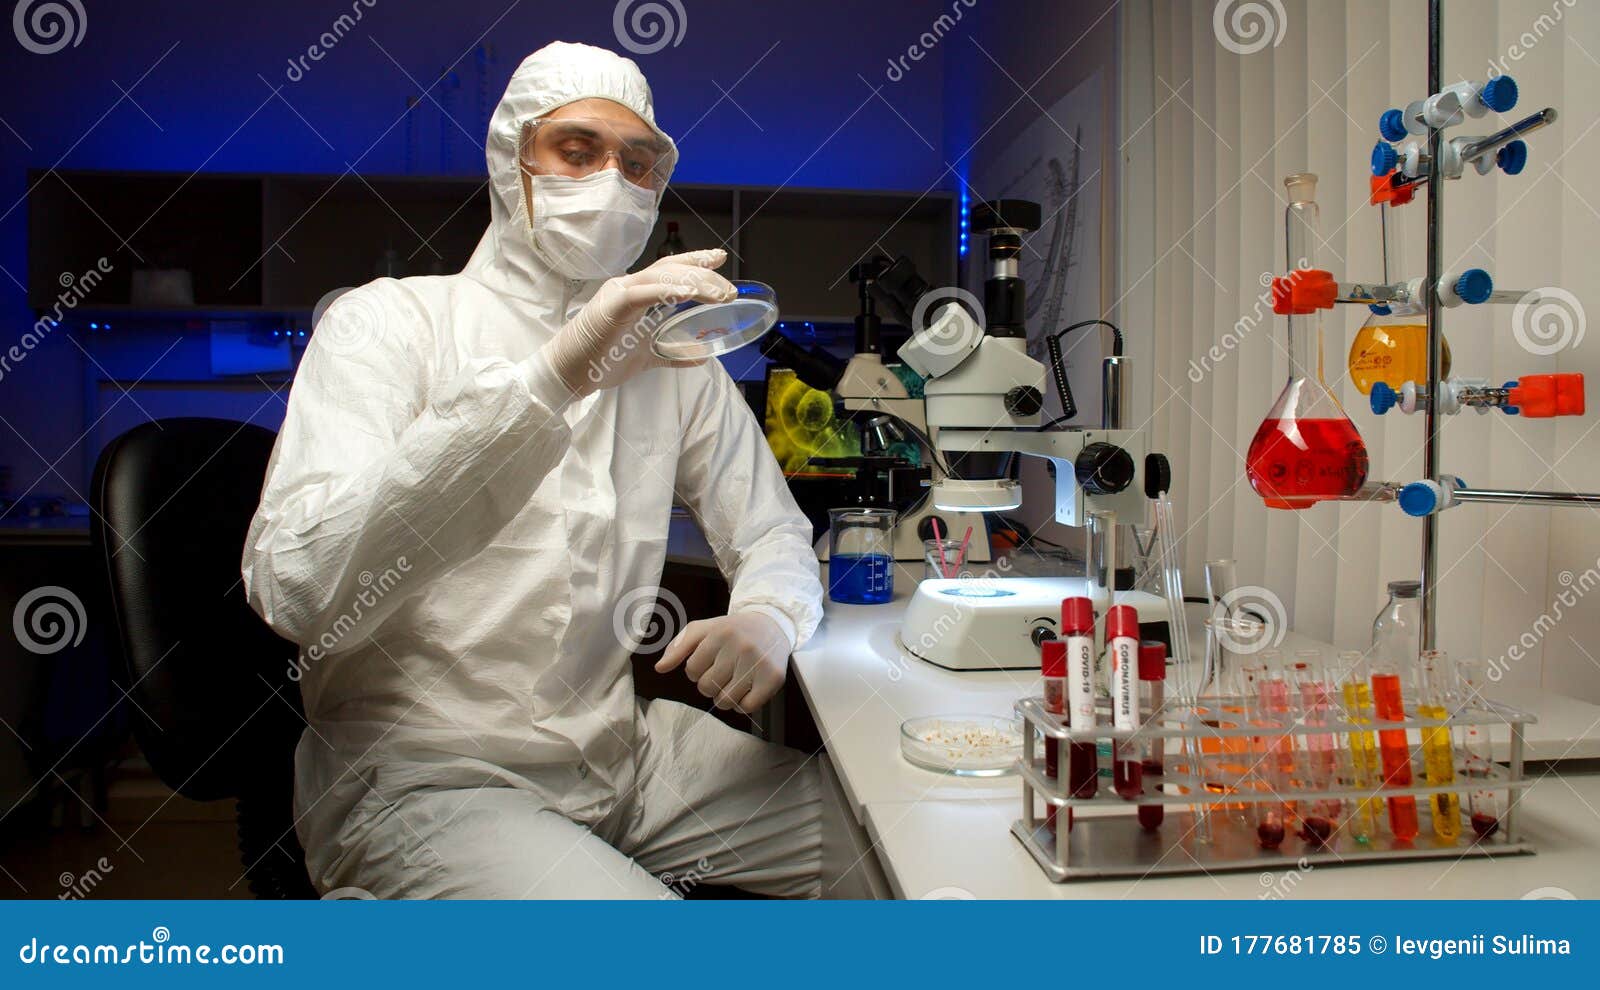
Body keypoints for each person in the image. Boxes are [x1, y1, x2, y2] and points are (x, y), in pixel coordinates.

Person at [242, 41, 825, 899]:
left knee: (890, 840)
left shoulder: (672, 360)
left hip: (617, 756)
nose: (613, 184)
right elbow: (295, 586)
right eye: (578, 151)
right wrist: (556, 375)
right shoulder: (388, 325)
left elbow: (772, 527)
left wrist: (771, 615)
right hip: (428, 778)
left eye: (638, 163)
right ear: (512, 161)